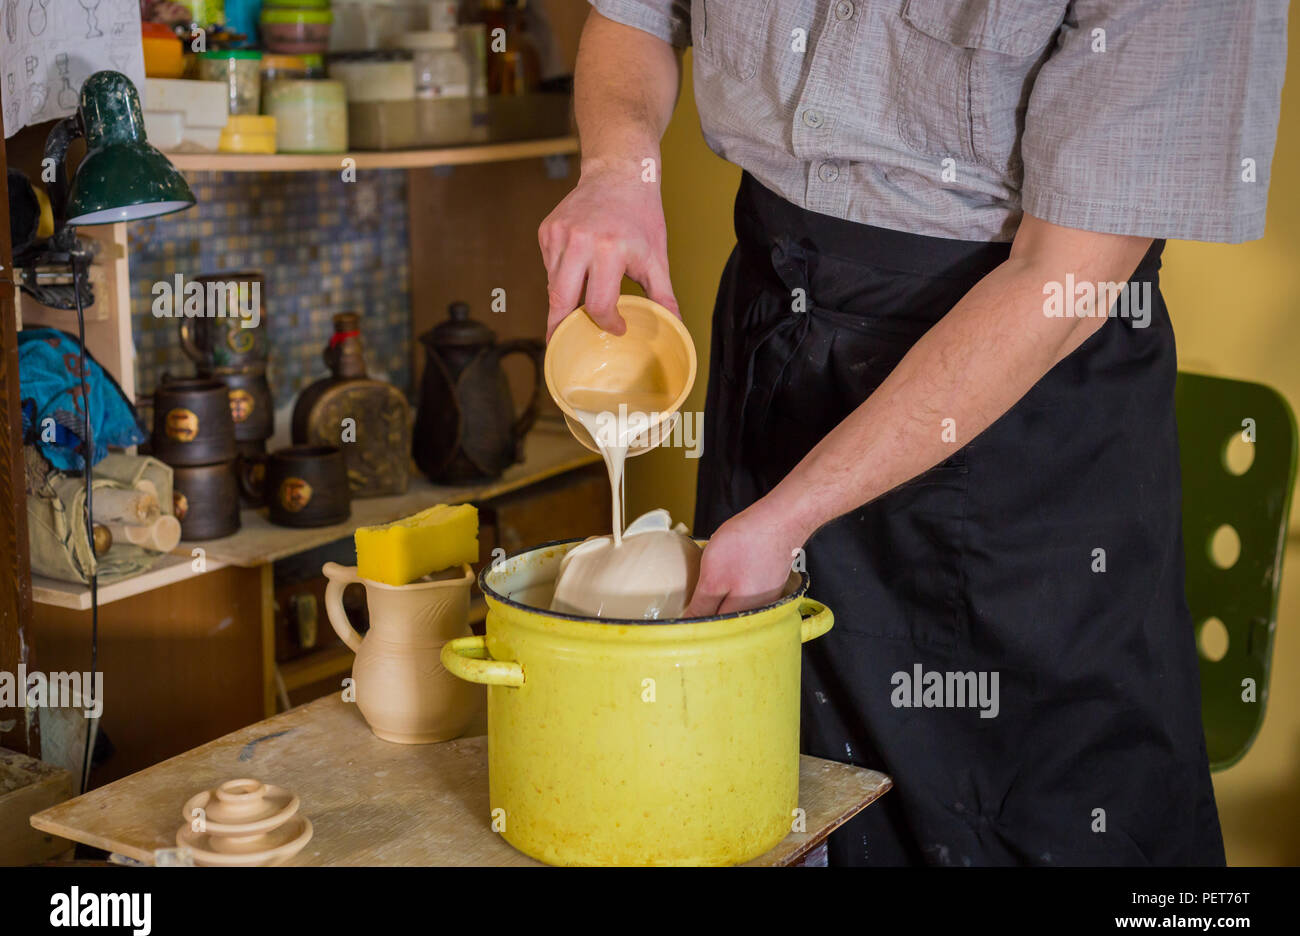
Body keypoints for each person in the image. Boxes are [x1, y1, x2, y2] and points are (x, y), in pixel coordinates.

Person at [538, 1, 1286, 865]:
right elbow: (631, 13)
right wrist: (615, 166)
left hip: (1015, 400)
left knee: (1036, 809)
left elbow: (1062, 280)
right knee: (773, 776)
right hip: (776, 327)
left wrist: (791, 516)